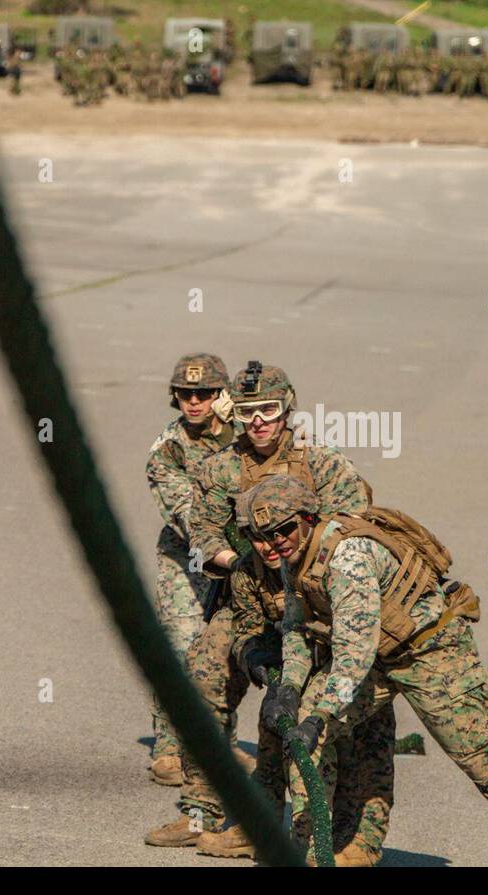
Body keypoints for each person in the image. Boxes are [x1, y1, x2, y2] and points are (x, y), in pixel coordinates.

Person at [244, 475, 488, 866]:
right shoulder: (292, 559)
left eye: (282, 530)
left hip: (430, 653)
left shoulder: (347, 559)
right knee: (304, 742)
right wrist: (291, 689)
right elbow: (295, 628)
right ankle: (312, 851)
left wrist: (321, 714)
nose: (272, 543)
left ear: (308, 519)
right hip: (377, 657)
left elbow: (352, 654)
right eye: (261, 536)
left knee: (482, 763)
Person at [145, 362, 389, 857]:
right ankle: (203, 810)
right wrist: (241, 563)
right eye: (249, 411)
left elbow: (359, 524)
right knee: (204, 679)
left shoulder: (322, 463)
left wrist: (303, 568)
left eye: (269, 411)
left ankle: (313, 831)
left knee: (303, 713)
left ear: (287, 409)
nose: (259, 423)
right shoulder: (220, 468)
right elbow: (205, 532)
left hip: (318, 607)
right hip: (248, 601)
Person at [143, 355, 244, 785]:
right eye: (187, 394)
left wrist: (237, 424)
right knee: (183, 647)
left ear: (222, 396)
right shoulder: (167, 450)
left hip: (241, 555)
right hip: (189, 558)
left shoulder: (244, 434)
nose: (195, 402)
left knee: (227, 652)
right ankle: (169, 749)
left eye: (205, 394)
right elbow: (190, 516)